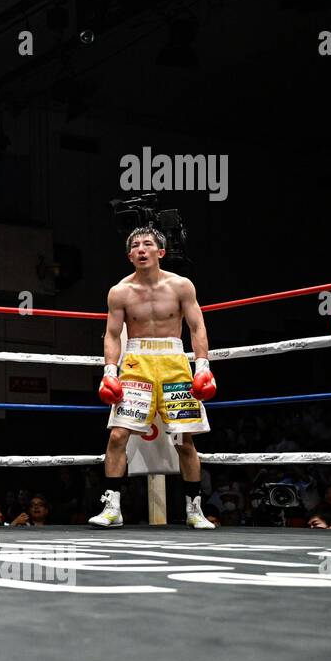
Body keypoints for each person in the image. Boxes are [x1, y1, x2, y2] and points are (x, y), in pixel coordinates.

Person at [91, 226, 216, 530]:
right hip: (137, 364)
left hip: (174, 363)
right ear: (129, 255)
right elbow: (111, 334)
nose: (142, 249)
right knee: (118, 435)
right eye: (135, 245)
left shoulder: (181, 286)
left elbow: (196, 327)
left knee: (184, 441)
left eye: (148, 244)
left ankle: (194, 509)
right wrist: (109, 371)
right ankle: (112, 508)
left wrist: (202, 366)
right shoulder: (119, 292)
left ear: (161, 252)